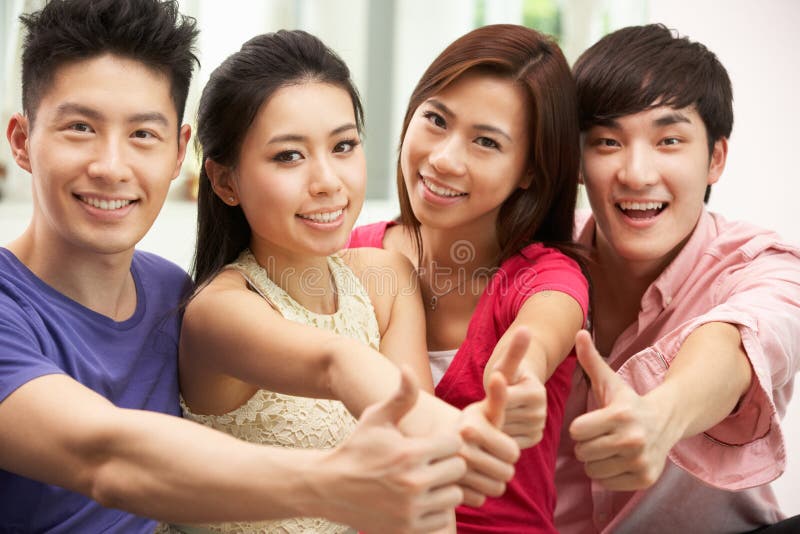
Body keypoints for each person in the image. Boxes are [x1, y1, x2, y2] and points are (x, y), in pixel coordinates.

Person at [0, 1, 503, 532]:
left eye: (143, 134)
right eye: (79, 127)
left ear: (179, 153)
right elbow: (104, 456)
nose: (110, 166)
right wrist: (336, 484)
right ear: (22, 142)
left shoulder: (167, 292)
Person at [170, 28, 527, 533]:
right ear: (227, 181)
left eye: (343, 146)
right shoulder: (220, 310)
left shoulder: (385, 279)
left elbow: (422, 485)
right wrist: (455, 432)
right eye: (288, 156)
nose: (327, 181)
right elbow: (336, 363)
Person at [553, 24, 800, 533]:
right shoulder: (538, 260)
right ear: (576, 161)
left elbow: (737, 340)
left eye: (669, 140)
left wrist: (660, 416)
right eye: (606, 141)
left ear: (715, 159)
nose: (637, 173)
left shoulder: (765, 265)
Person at [348, 24, 589, 533]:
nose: (443, 159)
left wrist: (522, 379)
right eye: (435, 119)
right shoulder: (349, 252)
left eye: (485, 142)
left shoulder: (545, 275)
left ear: (530, 170)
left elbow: (546, 326)